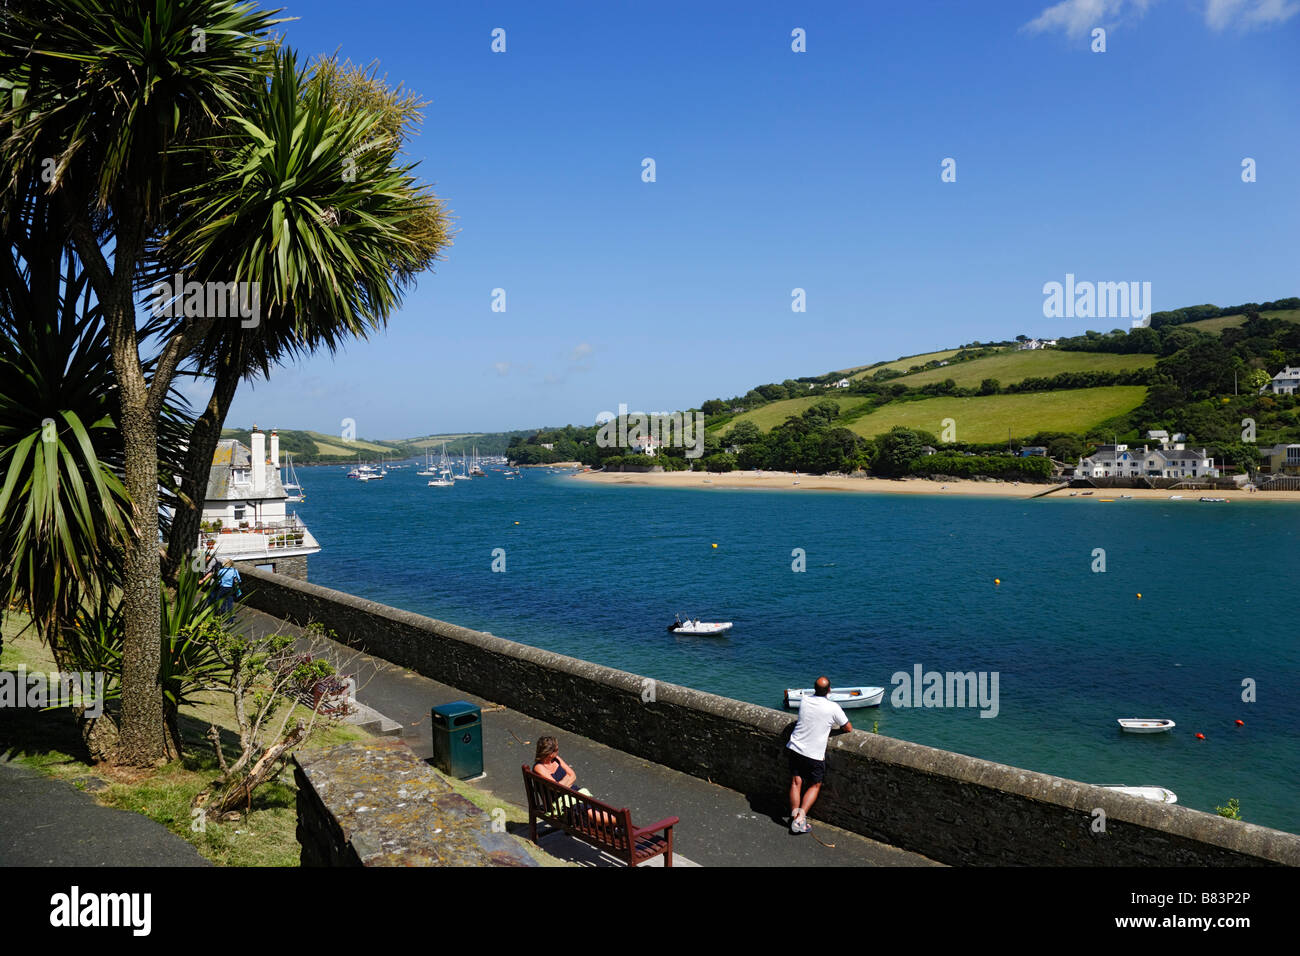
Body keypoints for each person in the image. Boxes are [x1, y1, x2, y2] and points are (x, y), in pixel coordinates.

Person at [786, 676, 852, 834]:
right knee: (815, 785)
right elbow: (848, 728)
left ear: (814, 689)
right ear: (829, 690)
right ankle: (800, 820)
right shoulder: (833, 707)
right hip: (813, 753)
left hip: (795, 747)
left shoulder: (805, 701)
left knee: (796, 782)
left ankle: (794, 814)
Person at [533, 736, 615, 828]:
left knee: (599, 811)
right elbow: (557, 788)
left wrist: (562, 783)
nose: (558, 751)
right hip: (562, 803)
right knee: (592, 814)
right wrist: (566, 779)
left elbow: (573, 775)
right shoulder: (539, 767)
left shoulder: (556, 759)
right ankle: (617, 825)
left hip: (574, 794)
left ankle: (616, 825)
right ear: (549, 753)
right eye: (556, 749)